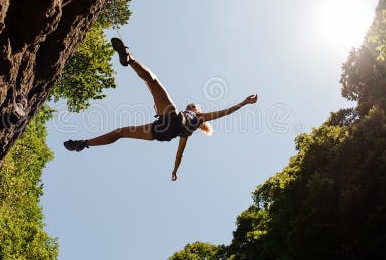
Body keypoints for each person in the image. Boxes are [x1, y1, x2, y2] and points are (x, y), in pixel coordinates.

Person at [63, 38, 258, 181]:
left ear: (196, 110)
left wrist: (244, 102)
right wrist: (175, 170)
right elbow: (179, 154)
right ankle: (83, 143)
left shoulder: (198, 117)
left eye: (192, 105)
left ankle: (129, 59)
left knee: (153, 80)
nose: (191, 105)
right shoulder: (187, 134)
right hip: (161, 132)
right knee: (121, 132)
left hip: (171, 120)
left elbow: (225, 112)